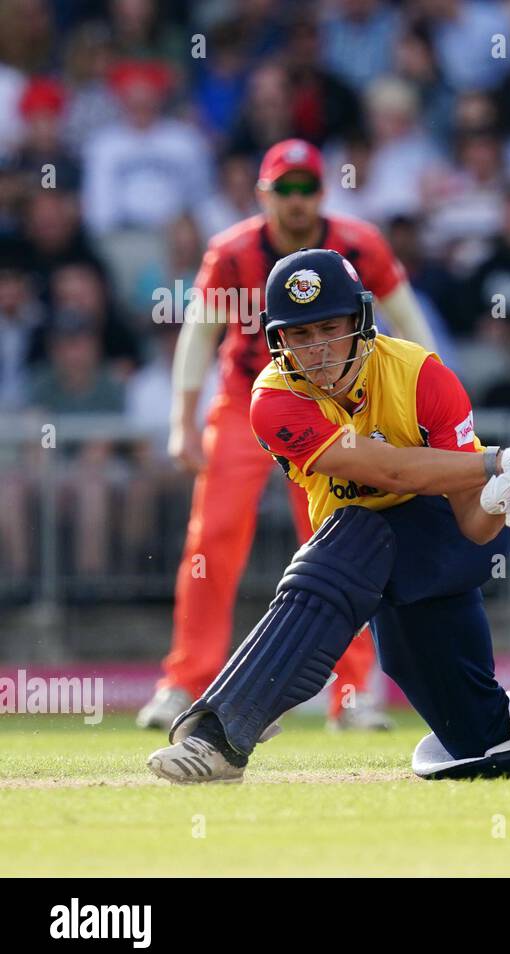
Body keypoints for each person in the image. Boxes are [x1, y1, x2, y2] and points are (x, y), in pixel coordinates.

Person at [146, 249, 510, 783]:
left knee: (349, 538)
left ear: (361, 323)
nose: (319, 350)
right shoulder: (274, 399)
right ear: (278, 343)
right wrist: (503, 462)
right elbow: (389, 471)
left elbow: (472, 526)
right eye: (300, 336)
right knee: (485, 734)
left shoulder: (422, 376)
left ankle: (221, 734)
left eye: (330, 329)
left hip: (435, 542)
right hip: (380, 570)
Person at [136, 139, 440, 733]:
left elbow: (410, 320)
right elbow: (200, 334)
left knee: (338, 542)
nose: (297, 201)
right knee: (212, 539)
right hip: (250, 403)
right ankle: (184, 683)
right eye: (286, 189)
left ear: (322, 192)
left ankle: (353, 696)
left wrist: (423, 396)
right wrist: (184, 420)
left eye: (306, 188)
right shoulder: (231, 251)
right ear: (263, 194)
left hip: (332, 407)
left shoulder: (361, 245)